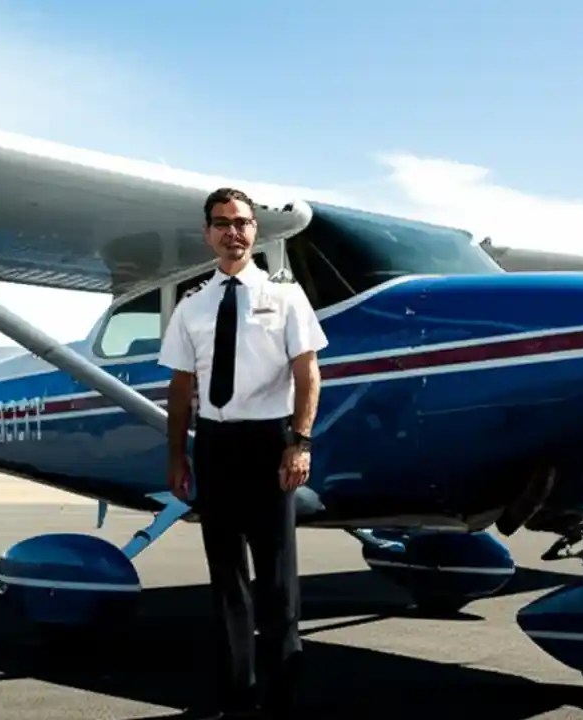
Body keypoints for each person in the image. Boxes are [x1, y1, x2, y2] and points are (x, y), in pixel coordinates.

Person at [158, 187, 328, 718]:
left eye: (242, 222)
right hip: (215, 445)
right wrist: (177, 457)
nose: (233, 232)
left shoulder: (287, 298)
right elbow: (181, 389)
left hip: (269, 445)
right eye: (222, 223)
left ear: (255, 231)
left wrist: (299, 442)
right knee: (227, 581)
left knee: (278, 585)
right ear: (208, 233)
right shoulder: (191, 306)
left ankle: (281, 701)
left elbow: (308, 375)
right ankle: (236, 697)